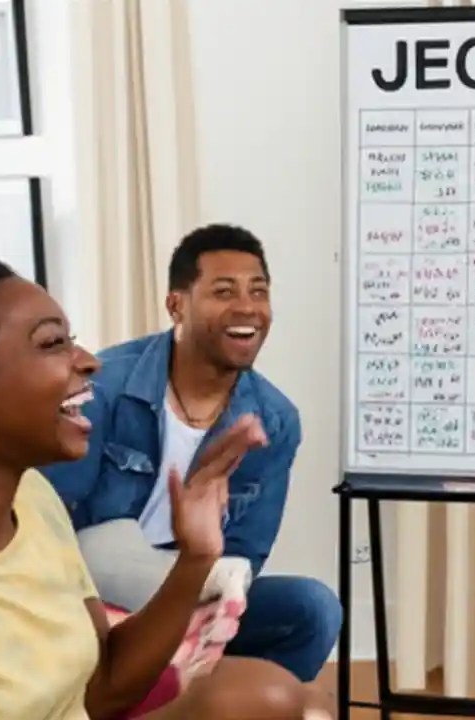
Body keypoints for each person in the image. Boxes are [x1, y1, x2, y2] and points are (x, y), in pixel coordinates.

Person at [0, 240, 309, 718]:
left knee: (268, 695)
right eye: (52, 343)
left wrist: (196, 558)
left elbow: (103, 688)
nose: (89, 361)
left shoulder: (32, 502)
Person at [42, 224, 341, 684]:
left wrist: (199, 578)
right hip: (93, 592)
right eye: (224, 291)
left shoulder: (274, 419)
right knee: (101, 544)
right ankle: (180, 677)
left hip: (195, 588)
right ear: (176, 304)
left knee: (313, 609)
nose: (247, 307)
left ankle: (211, 694)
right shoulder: (105, 385)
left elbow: (245, 554)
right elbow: (53, 522)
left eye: (258, 291)